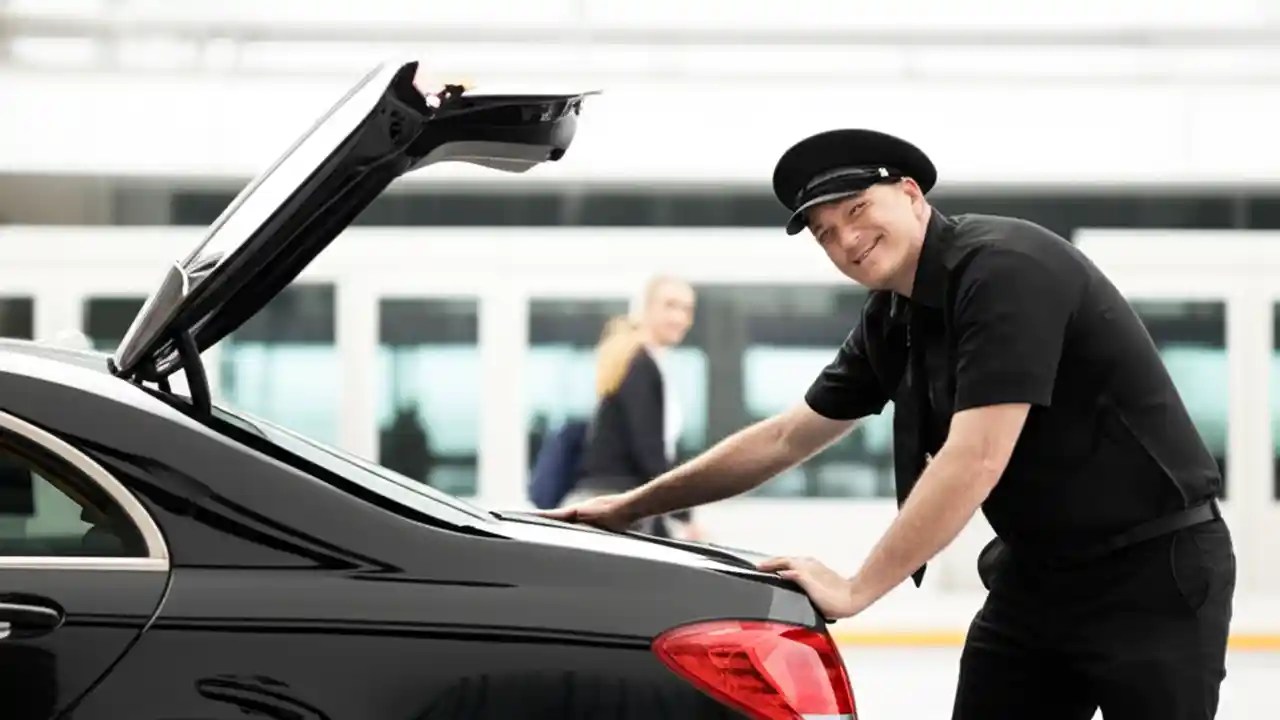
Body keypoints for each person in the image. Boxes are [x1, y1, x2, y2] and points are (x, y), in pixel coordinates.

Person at [541, 129, 1235, 719]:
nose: (845, 239)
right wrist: (633, 506)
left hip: (1153, 574)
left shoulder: (1004, 271)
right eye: (824, 233)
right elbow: (787, 436)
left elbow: (974, 458)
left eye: (857, 209)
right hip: (1040, 579)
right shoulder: (892, 320)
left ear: (910, 194)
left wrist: (856, 586)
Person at [563, 275, 704, 541]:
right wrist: (683, 513)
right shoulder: (639, 364)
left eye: (687, 309)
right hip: (622, 503)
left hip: (616, 500)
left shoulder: (636, 359)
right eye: (670, 306)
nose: (680, 318)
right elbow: (649, 450)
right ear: (646, 310)